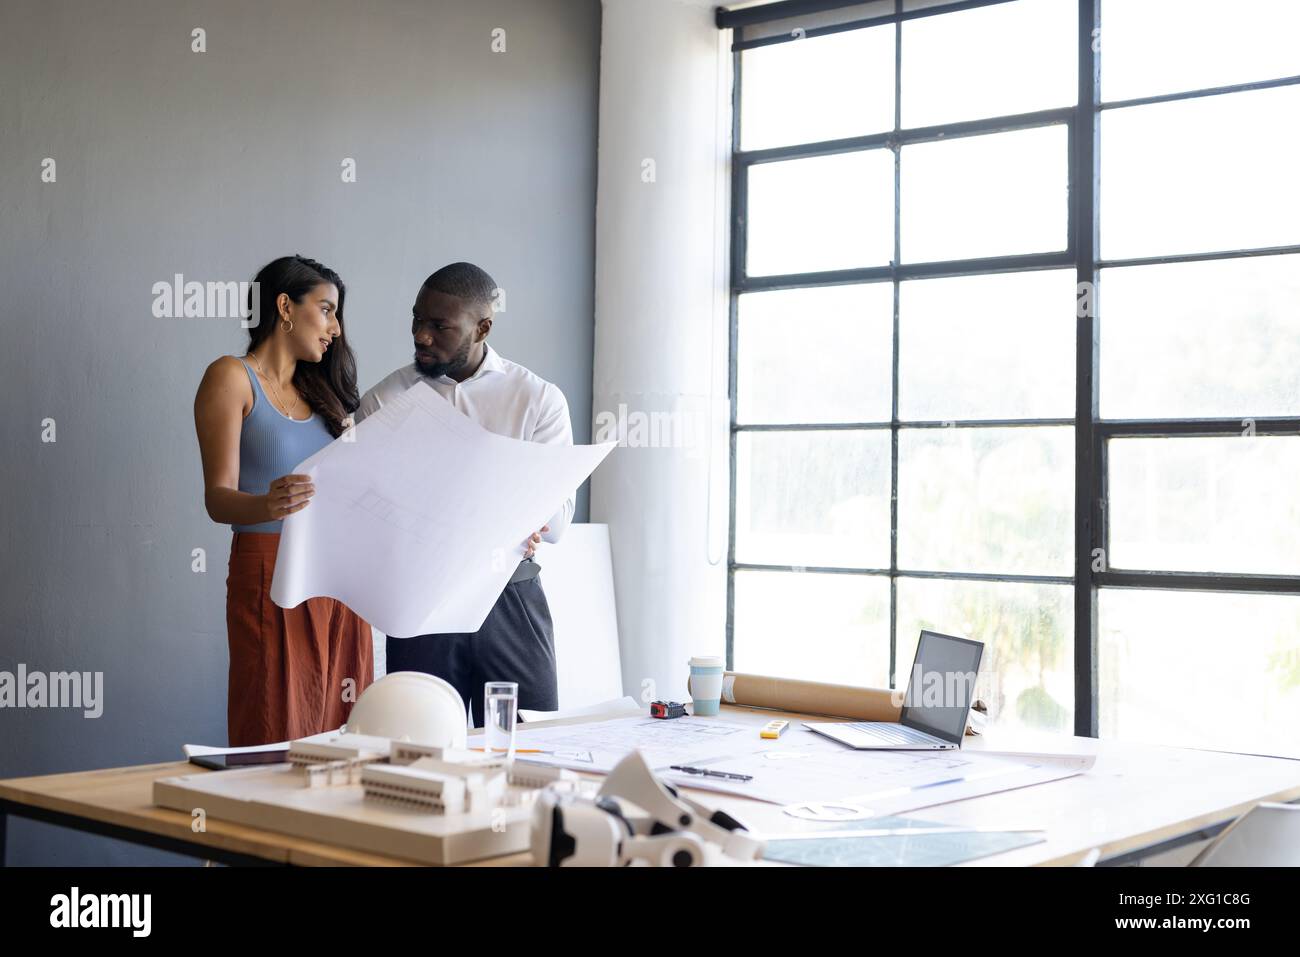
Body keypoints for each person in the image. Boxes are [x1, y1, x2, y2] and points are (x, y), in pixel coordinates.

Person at [356, 261, 573, 725]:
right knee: (420, 748)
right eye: (417, 320)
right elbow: (368, 507)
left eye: (439, 326)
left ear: (483, 327)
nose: (421, 336)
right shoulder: (382, 402)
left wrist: (521, 519)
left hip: (511, 600)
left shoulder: (537, 399)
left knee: (530, 745)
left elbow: (556, 523)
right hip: (423, 602)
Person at [194, 255, 373, 746]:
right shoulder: (231, 377)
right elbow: (218, 499)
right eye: (327, 309)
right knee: (274, 723)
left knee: (343, 730)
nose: (336, 328)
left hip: (339, 577)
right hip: (270, 571)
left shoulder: (326, 395)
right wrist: (266, 506)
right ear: (284, 307)